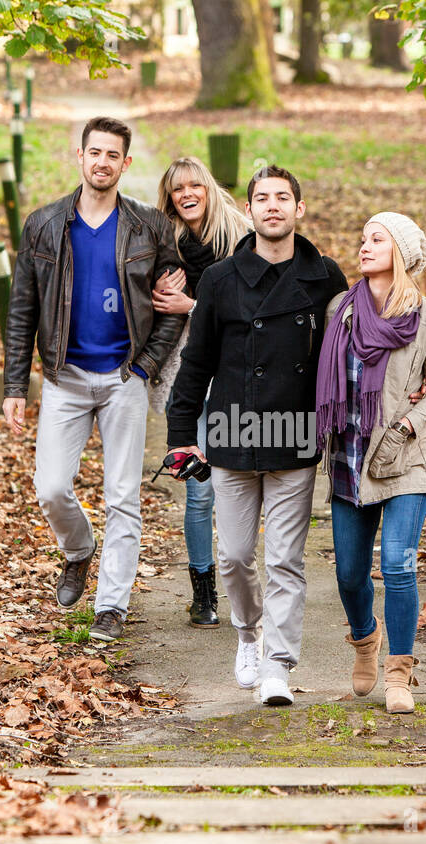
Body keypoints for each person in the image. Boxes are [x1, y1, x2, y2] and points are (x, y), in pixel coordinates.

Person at [166, 165, 349, 704]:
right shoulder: (222, 278)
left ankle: (277, 666)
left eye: (283, 198)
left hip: (294, 433)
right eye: (262, 198)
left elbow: (348, 353)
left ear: (299, 209)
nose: (273, 206)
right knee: (235, 556)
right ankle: (248, 634)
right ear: (248, 210)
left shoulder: (325, 276)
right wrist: (182, 433)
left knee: (286, 560)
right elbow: (195, 363)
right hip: (231, 431)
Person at [3, 116, 186, 643]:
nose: (103, 162)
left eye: (113, 155)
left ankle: (112, 605)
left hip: (124, 375)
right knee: (52, 487)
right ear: (79, 157)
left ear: (125, 164)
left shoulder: (150, 227)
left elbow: (173, 305)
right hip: (64, 377)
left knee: (123, 495)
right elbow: (22, 309)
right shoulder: (43, 224)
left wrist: (146, 365)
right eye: (95, 153)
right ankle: (79, 551)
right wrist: (17, 386)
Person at [316, 212, 426, 714]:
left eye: (377, 239)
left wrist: (406, 425)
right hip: (349, 454)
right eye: (363, 238)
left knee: (397, 564)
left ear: (400, 250)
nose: (364, 246)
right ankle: (364, 637)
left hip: (403, 457)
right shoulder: (341, 309)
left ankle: (400, 673)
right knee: (350, 575)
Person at [149, 156, 250, 629]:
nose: (186, 194)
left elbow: (250, 308)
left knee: (237, 486)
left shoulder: (241, 237)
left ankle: (239, 581)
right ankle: (203, 591)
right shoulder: (164, 242)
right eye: (176, 190)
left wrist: (192, 305)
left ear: (208, 188)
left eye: (195, 186)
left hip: (235, 373)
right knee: (200, 489)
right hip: (183, 376)